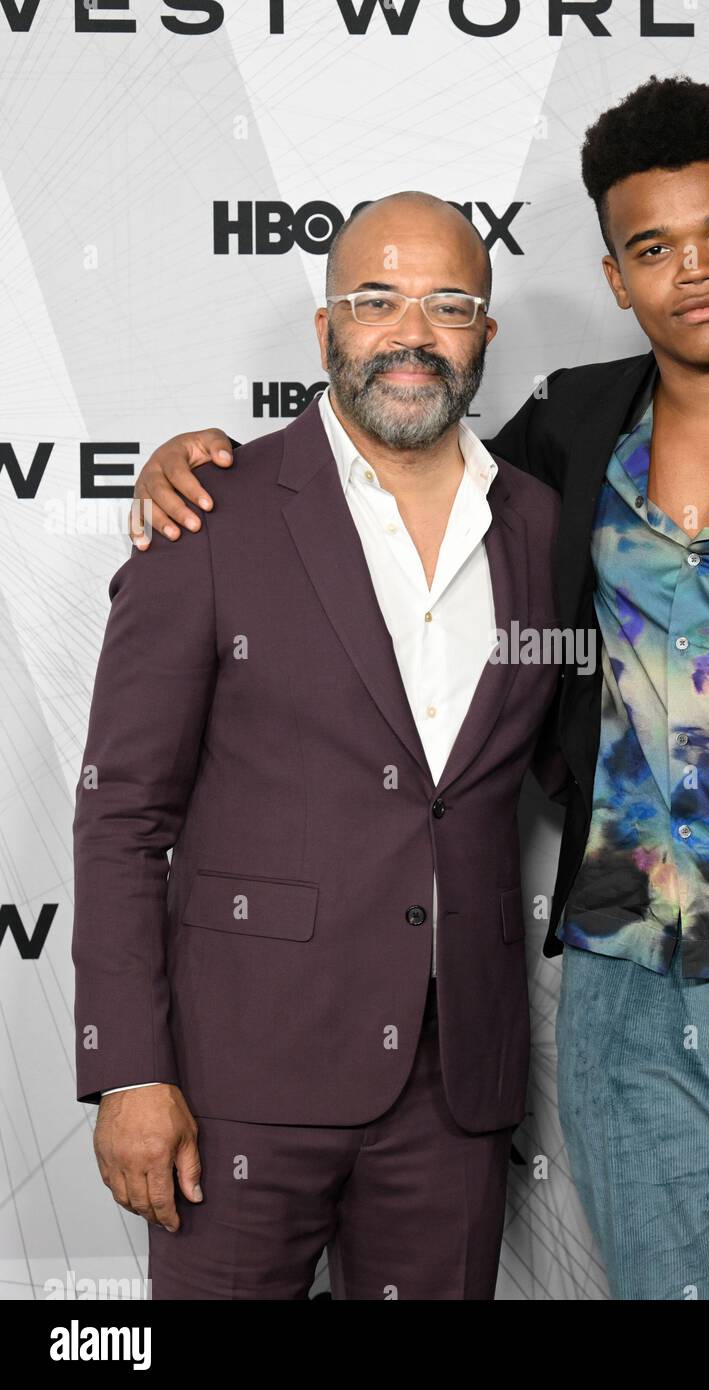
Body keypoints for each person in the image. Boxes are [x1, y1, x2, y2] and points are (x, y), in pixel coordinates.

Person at [127, 77, 709, 1300]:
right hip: (629, 991)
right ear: (616, 277)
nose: (696, 271)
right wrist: (198, 459)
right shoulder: (569, 430)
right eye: (653, 248)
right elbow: (390, 456)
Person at [73, 191, 567, 1299]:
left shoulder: (536, 522)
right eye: (375, 298)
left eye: (448, 305)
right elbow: (121, 814)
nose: (411, 332)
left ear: (485, 333)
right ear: (326, 328)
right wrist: (129, 1073)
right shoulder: (209, 511)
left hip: (459, 1088)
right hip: (234, 1078)